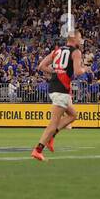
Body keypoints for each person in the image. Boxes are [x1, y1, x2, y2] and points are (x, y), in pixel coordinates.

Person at [32, 30, 86, 162]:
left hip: (55, 88)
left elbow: (42, 66)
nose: (81, 40)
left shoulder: (56, 51)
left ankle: (51, 137)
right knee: (53, 124)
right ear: (73, 38)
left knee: (73, 115)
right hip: (61, 89)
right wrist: (86, 68)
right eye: (80, 37)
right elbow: (78, 72)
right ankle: (38, 149)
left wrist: (56, 71)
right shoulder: (76, 52)